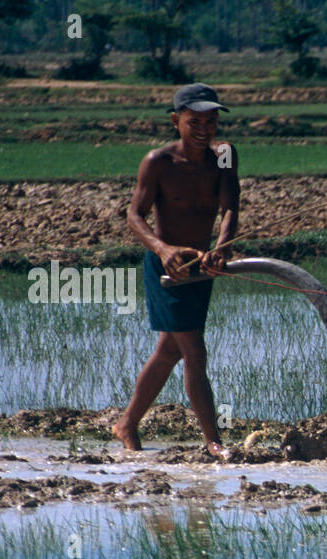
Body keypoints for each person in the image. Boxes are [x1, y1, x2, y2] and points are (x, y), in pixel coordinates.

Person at [114, 83, 238, 459]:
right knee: (195, 352)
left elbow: (231, 207)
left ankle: (126, 424)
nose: (204, 129)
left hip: (202, 265)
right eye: (194, 121)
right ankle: (213, 440)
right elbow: (134, 215)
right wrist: (163, 249)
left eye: (211, 121)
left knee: (170, 351)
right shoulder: (158, 162)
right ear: (176, 121)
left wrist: (222, 247)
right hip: (169, 268)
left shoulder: (225, 156)